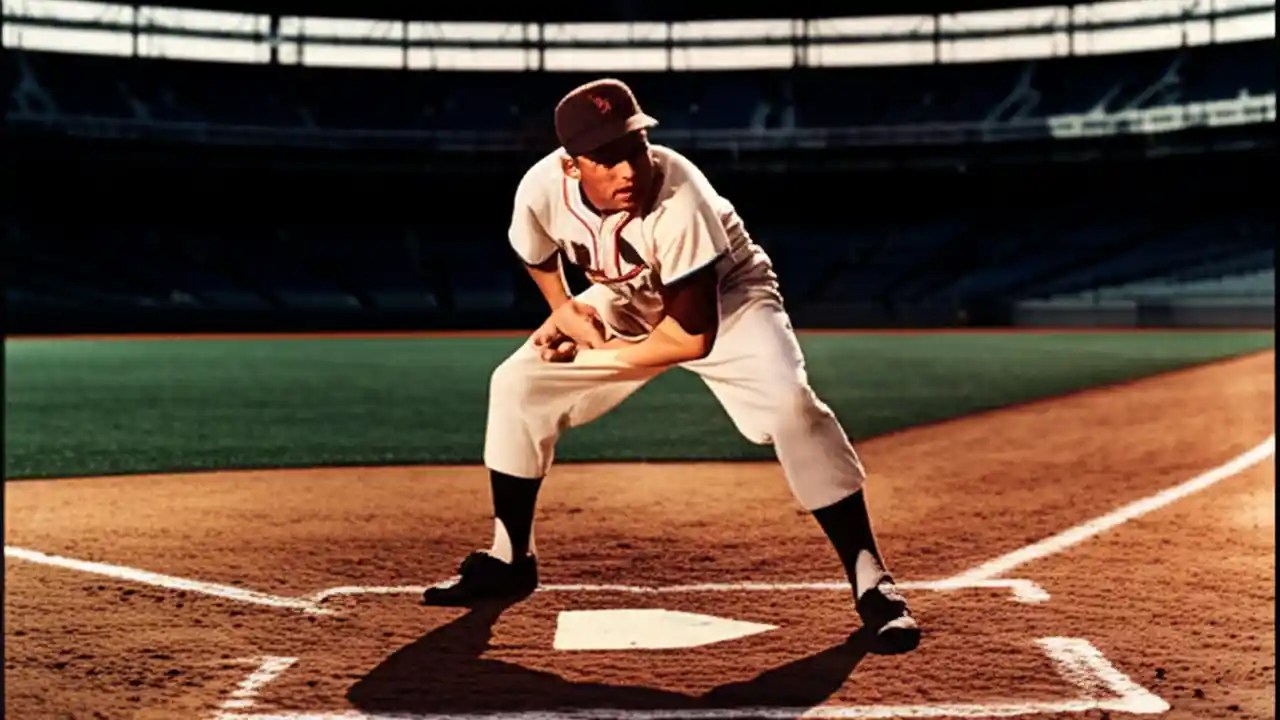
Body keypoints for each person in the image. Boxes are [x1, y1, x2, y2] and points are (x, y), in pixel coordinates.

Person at [421, 78, 920, 654]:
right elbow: (534, 251)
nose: (627, 169)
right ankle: (510, 559)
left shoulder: (681, 196)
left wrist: (597, 349)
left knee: (791, 407)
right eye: (606, 158)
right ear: (570, 166)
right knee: (516, 385)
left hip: (729, 301)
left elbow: (690, 336)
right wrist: (566, 313)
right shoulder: (540, 188)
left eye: (633, 146)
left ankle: (871, 579)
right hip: (626, 296)